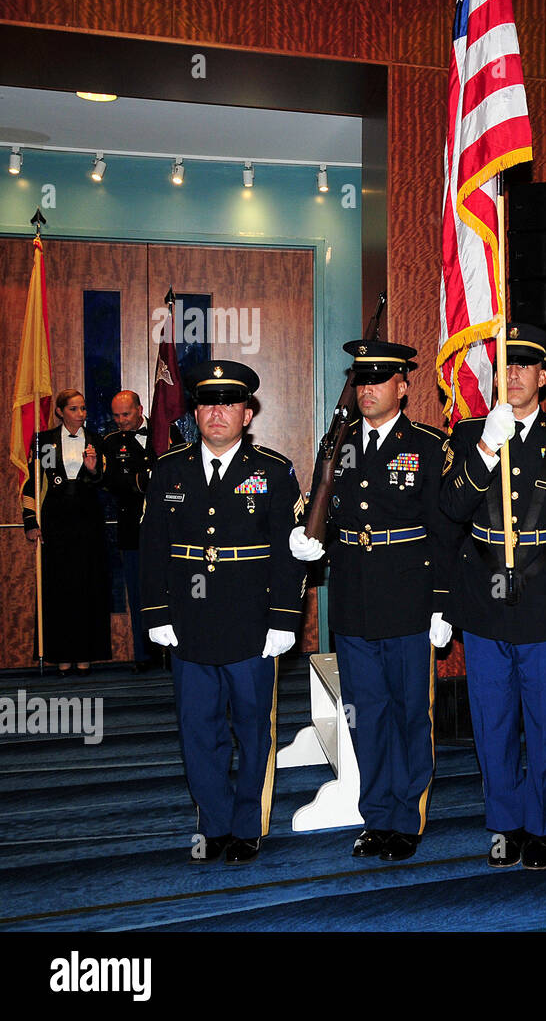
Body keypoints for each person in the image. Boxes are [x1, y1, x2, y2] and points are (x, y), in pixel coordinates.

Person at [440, 323, 546, 871]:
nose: (511, 375)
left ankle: (540, 824)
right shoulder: (467, 435)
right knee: (491, 721)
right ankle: (504, 822)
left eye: (523, 366)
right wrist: (487, 446)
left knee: (543, 721)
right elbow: (451, 510)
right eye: (505, 366)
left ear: (542, 376)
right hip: (484, 601)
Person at [289, 340, 456, 863]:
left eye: (378, 380)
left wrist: (442, 604)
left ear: (402, 388)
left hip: (409, 596)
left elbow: (445, 532)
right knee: (365, 712)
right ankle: (377, 814)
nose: (367, 390)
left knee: (409, 713)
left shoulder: (429, 445)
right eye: (361, 381)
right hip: (355, 597)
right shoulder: (337, 443)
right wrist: (305, 537)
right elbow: (319, 508)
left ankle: (407, 817)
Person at [139, 360, 306, 865]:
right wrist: (155, 612)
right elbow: (151, 548)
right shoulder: (169, 469)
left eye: (229, 402)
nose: (217, 412)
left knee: (254, 728)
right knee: (198, 728)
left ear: (247, 413)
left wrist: (284, 618)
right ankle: (212, 823)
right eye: (208, 402)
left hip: (252, 624)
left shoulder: (274, 472)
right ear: (196, 411)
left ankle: (246, 825)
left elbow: (290, 552)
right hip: (188, 622)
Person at [22, 389, 112, 672]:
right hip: (56, 521)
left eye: (84, 408)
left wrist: (94, 469)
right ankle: (60, 655)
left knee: (88, 586)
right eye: (74, 409)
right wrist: (30, 521)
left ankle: (85, 654)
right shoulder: (45, 440)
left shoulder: (96, 440)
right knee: (59, 589)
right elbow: (33, 482)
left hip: (88, 520)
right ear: (60, 412)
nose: (81, 414)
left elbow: (103, 481)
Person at [103, 390, 185, 672]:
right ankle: (144, 653)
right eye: (115, 415)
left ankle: (177, 649)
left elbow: (183, 469)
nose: (120, 420)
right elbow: (113, 482)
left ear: (139, 410)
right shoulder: (110, 442)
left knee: (175, 589)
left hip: (170, 527)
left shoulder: (167, 430)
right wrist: (146, 479)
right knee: (139, 592)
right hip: (133, 527)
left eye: (125, 414)